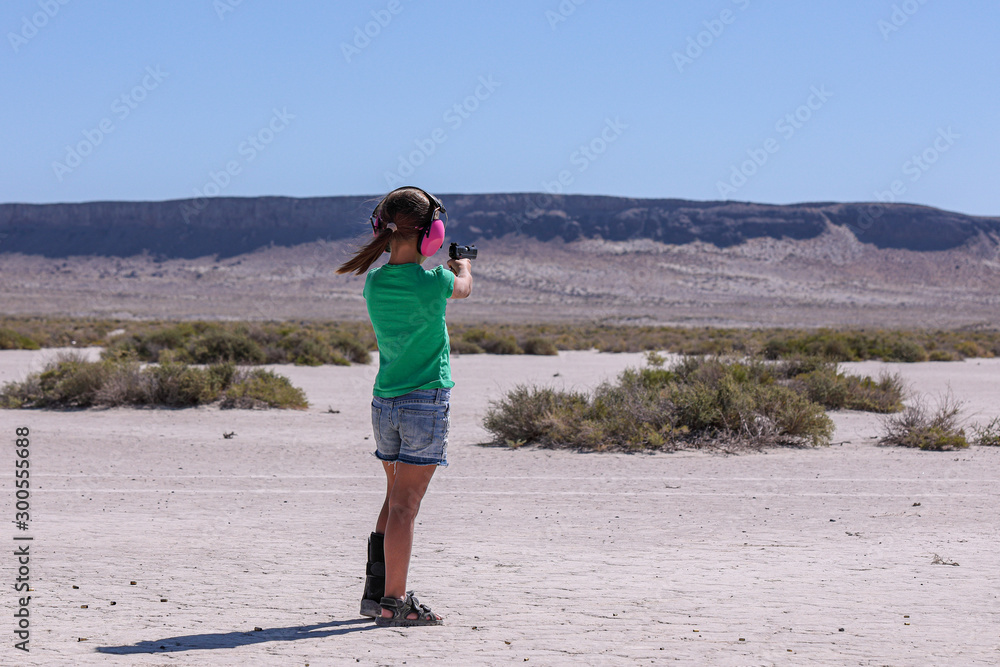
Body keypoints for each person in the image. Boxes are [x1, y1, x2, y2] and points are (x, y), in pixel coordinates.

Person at [336, 186, 473, 627]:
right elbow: (464, 289)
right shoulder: (436, 282)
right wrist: (463, 264)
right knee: (406, 506)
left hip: (385, 404)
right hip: (425, 402)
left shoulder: (374, 282)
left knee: (394, 498)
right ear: (431, 233)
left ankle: (375, 594)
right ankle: (396, 604)